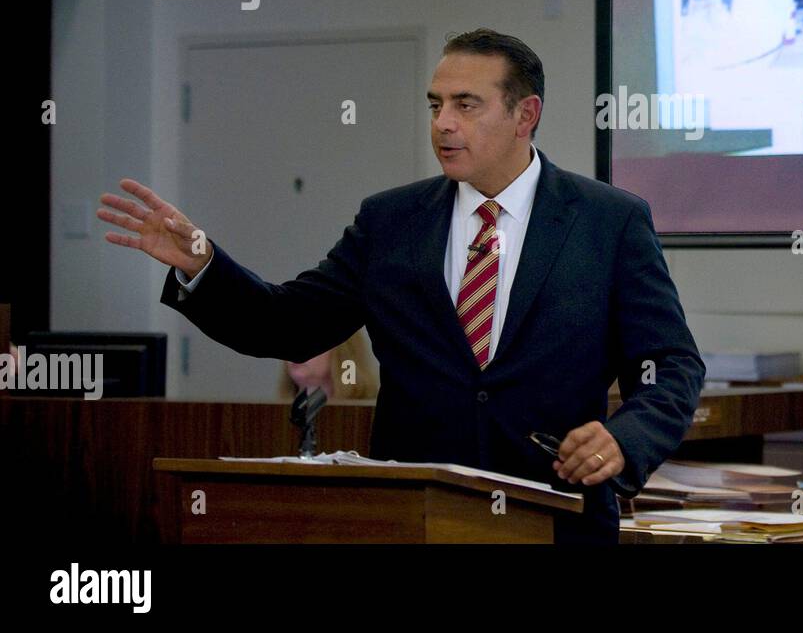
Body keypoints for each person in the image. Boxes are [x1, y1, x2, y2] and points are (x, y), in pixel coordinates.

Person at [97, 28, 705, 544]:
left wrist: (625, 437)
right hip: (411, 521)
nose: (443, 124)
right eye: (435, 104)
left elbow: (671, 365)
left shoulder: (607, 221)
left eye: (466, 104)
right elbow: (285, 322)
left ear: (527, 115)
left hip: (554, 519)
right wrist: (201, 262)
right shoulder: (391, 221)